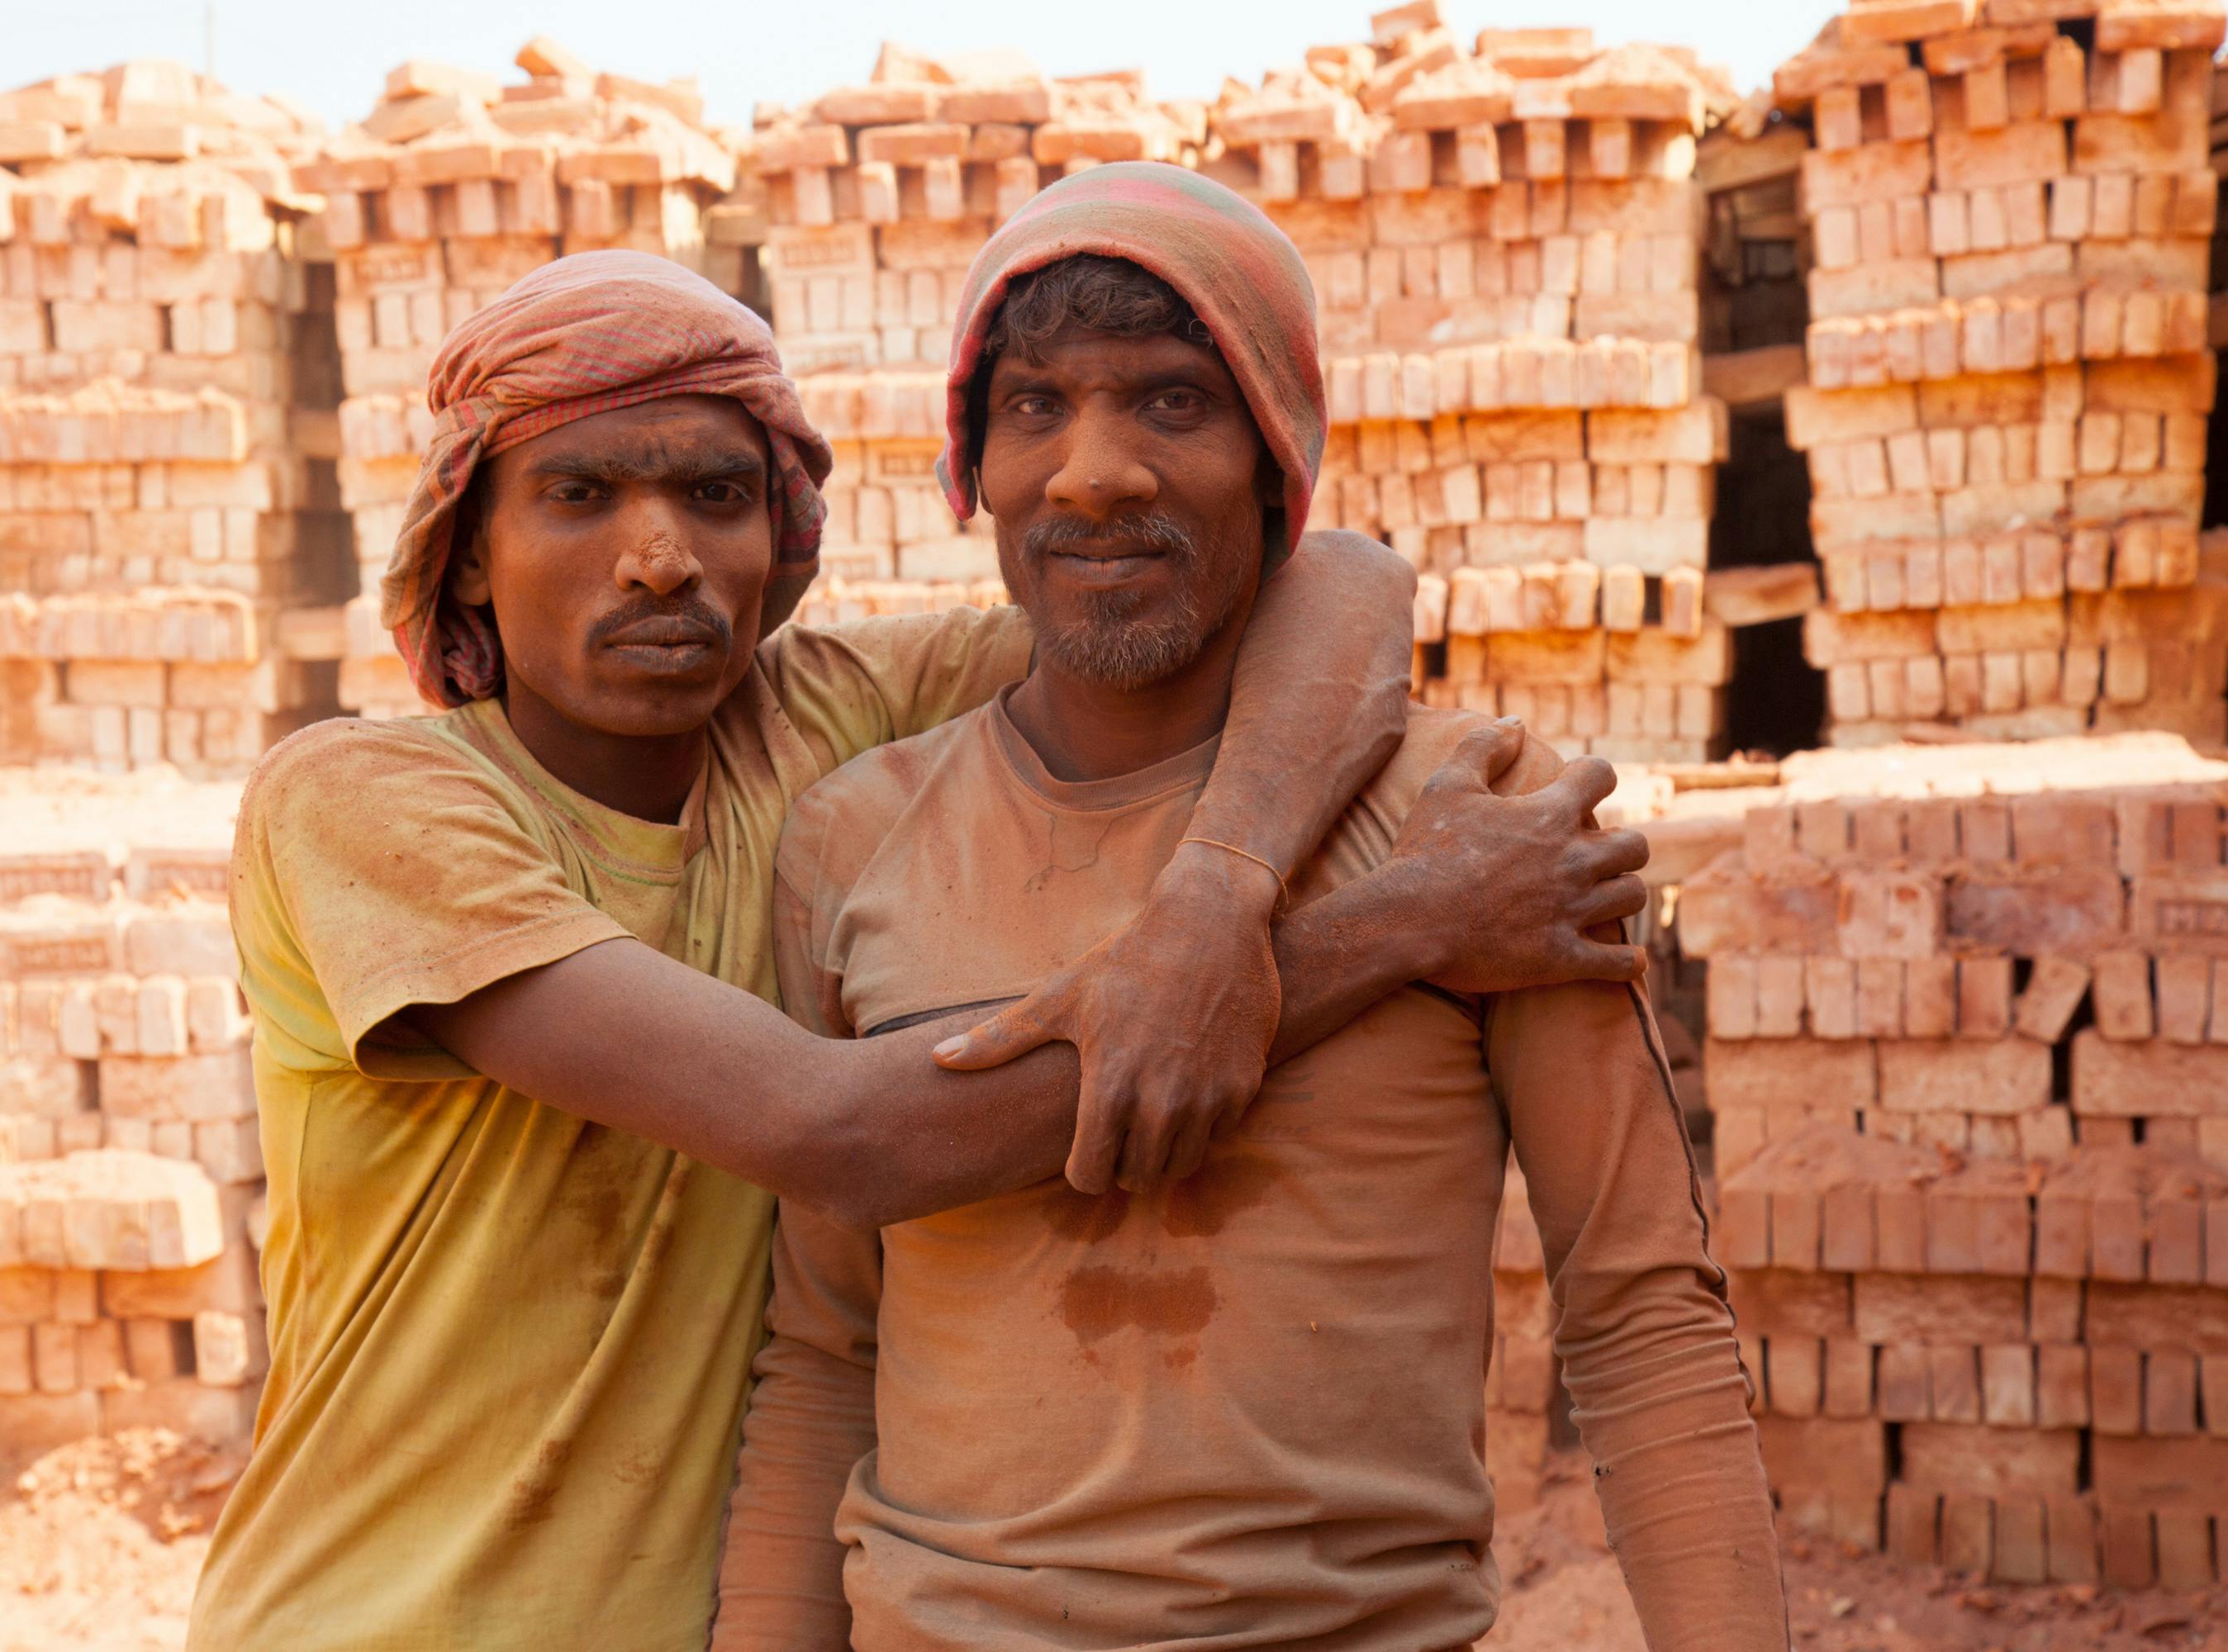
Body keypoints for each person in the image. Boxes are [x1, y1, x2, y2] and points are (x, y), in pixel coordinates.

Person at [185, 250, 1650, 1650]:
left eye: (715, 496)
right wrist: (1397, 929)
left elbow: (1324, 583)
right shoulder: (365, 804)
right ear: (467, 554)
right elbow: (840, 1136)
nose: (660, 561)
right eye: (577, 495)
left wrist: (1219, 896)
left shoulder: (807, 724)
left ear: (779, 538)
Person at [709, 166, 1788, 1652]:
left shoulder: (1480, 820)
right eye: (1034, 408)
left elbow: (1642, 1314)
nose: (1095, 472)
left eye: (1173, 402)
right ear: (976, 469)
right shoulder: (854, 838)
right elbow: (825, 1354)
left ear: (1277, 457)